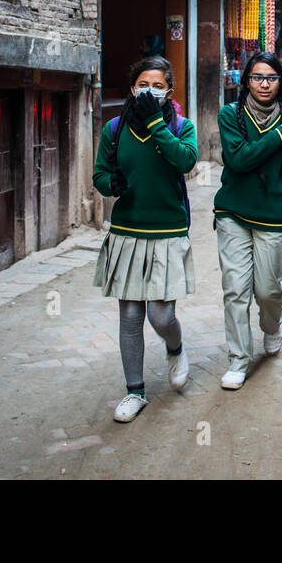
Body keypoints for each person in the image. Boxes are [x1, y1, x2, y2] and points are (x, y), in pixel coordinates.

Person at [93, 56, 198, 423]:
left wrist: (156, 123)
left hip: (168, 230)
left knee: (161, 312)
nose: (149, 90)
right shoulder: (115, 128)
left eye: (157, 85)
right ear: (132, 87)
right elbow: (100, 174)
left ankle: (175, 346)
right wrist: (111, 185)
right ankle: (134, 391)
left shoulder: (182, 127)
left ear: (169, 90)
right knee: (131, 314)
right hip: (128, 232)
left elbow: (185, 161)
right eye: (143, 84)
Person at [213, 51, 282, 390]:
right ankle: (239, 359)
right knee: (235, 289)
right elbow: (238, 159)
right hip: (233, 214)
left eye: (271, 78)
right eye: (257, 77)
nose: (264, 84)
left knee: (267, 290)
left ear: (281, 82)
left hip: (274, 216)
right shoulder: (230, 115)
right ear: (246, 81)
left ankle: (272, 325)